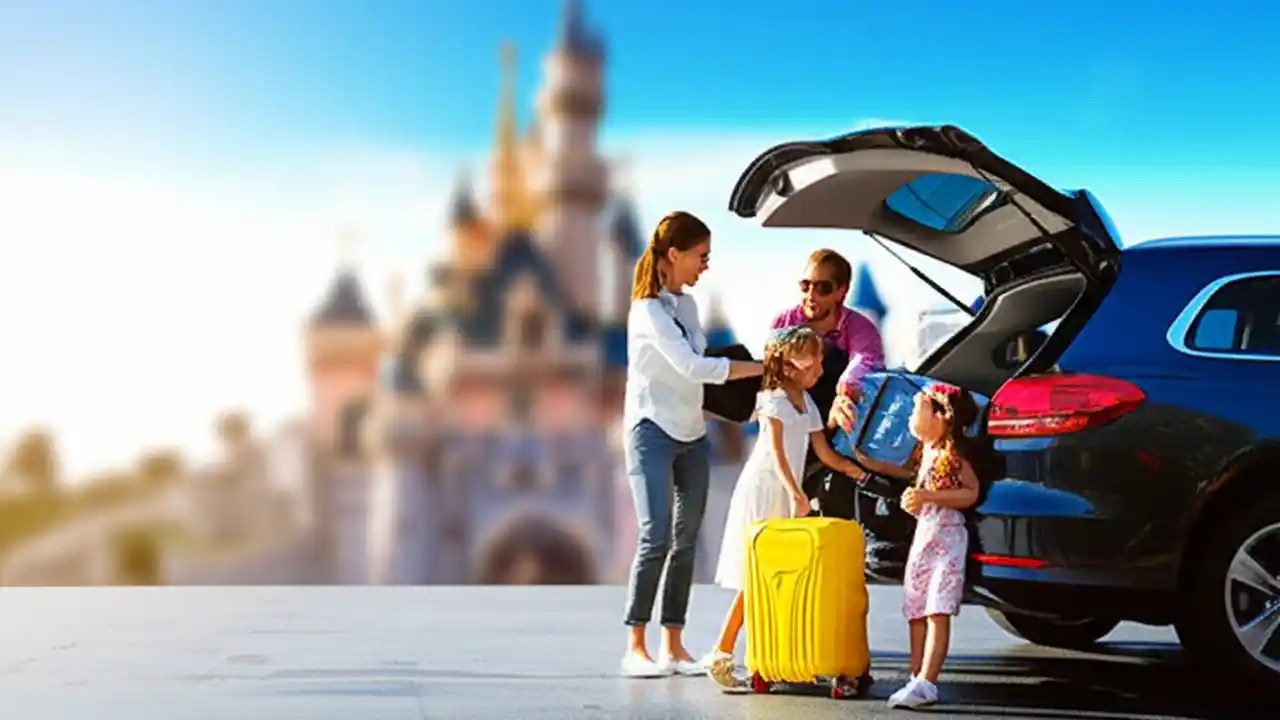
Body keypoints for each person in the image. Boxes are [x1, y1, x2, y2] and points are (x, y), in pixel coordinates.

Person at [621, 210, 764, 678]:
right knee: (656, 535)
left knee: (686, 540)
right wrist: (761, 367)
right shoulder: (646, 312)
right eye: (700, 256)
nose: (705, 265)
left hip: (691, 432)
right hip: (651, 433)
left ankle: (674, 645)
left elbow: (702, 362)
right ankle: (635, 646)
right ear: (673, 254)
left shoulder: (687, 307)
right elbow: (691, 367)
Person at [701, 326, 867, 678]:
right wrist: (795, 491)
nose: (820, 372)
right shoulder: (772, 398)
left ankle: (771, 652)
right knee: (756, 578)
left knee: (778, 575)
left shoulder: (806, 403)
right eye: (813, 366)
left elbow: (823, 451)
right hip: (767, 488)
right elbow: (776, 453)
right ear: (789, 366)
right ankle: (721, 650)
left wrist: (856, 471)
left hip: (790, 493)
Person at [861, 381, 981, 709]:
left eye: (920, 410)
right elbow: (903, 473)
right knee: (916, 608)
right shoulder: (926, 452)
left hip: (946, 539)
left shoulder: (951, 455)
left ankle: (928, 680)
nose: (914, 416)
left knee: (935, 609)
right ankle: (917, 676)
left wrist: (928, 496)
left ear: (943, 417)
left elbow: (970, 492)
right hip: (924, 537)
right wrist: (868, 464)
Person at [770, 248, 886, 517]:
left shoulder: (861, 327)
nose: (811, 295)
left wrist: (844, 393)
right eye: (805, 285)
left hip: (839, 420)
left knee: (833, 357)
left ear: (841, 292)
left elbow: (865, 362)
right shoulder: (784, 322)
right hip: (794, 412)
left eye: (822, 288)